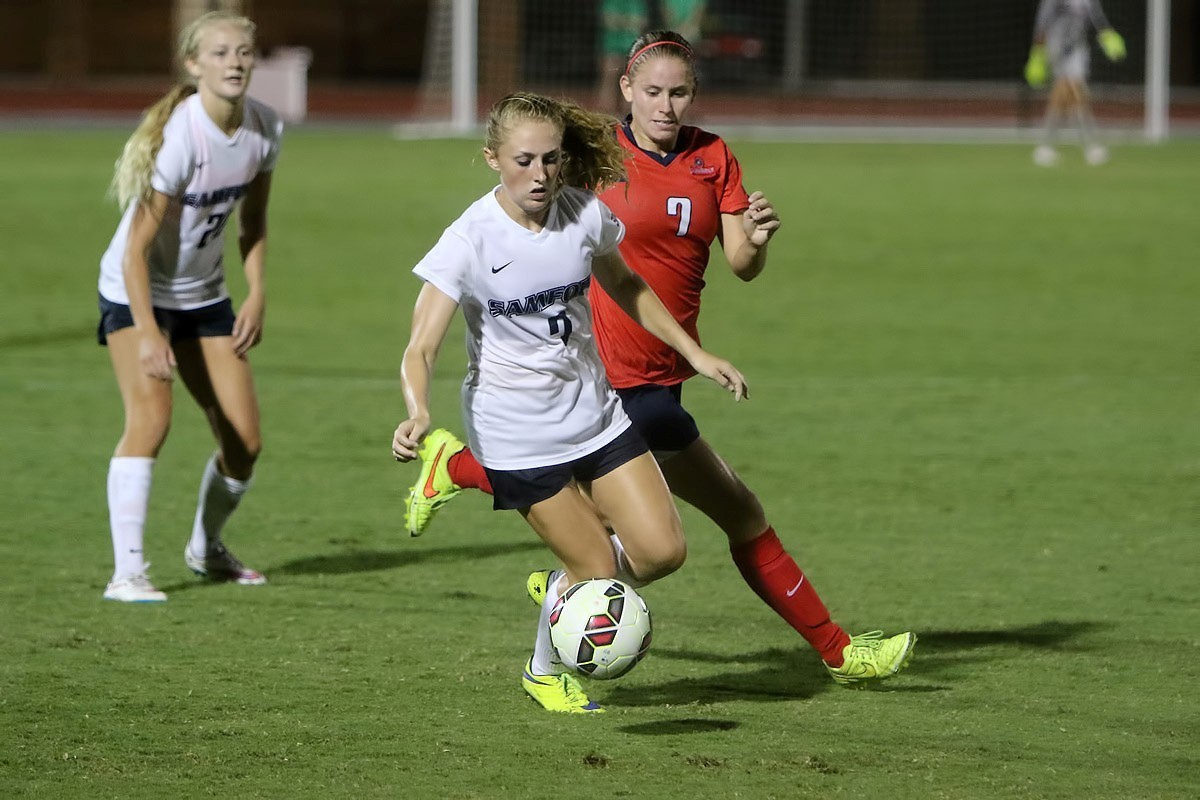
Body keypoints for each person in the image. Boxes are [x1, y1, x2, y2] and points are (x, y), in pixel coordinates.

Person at [403, 31, 917, 689]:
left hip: (659, 376)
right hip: (610, 386)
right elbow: (523, 235)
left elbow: (735, 264)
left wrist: (753, 248)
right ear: (627, 90)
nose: (665, 105)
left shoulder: (710, 158)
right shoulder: (585, 168)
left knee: (665, 538)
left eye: (678, 92)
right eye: (652, 91)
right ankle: (838, 652)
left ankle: (463, 477)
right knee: (717, 520)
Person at [391, 91, 749, 713]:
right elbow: (420, 347)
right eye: (523, 161)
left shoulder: (584, 214)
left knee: (663, 553)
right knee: (598, 569)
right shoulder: (469, 240)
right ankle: (543, 669)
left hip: (595, 414)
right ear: (492, 159)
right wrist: (418, 411)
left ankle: (562, 585)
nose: (540, 175)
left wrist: (694, 354)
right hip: (516, 437)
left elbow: (626, 284)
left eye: (551, 159)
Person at [97, 10, 281, 602]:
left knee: (244, 444)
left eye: (243, 52)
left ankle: (206, 548)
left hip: (205, 297)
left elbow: (253, 223)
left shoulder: (265, 127)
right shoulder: (183, 137)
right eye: (220, 53)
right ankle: (127, 574)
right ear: (194, 64)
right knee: (151, 420)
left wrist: (256, 293)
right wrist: (149, 333)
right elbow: (134, 251)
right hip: (135, 292)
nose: (235, 62)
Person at [1024, 0, 1126, 166]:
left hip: (1078, 48)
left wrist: (1108, 35)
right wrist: (1038, 53)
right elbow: (1042, 21)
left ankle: (1045, 146)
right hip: (1057, 47)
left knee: (1064, 96)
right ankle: (1091, 146)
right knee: (1075, 90)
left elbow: (1097, 17)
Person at [596, 0, 650, 114]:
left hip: (631, 46)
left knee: (629, 80)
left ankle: (627, 113)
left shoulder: (636, 3)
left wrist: (620, 21)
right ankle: (605, 112)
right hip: (612, 46)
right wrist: (628, 22)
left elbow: (641, 22)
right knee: (609, 78)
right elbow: (609, 20)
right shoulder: (610, 2)